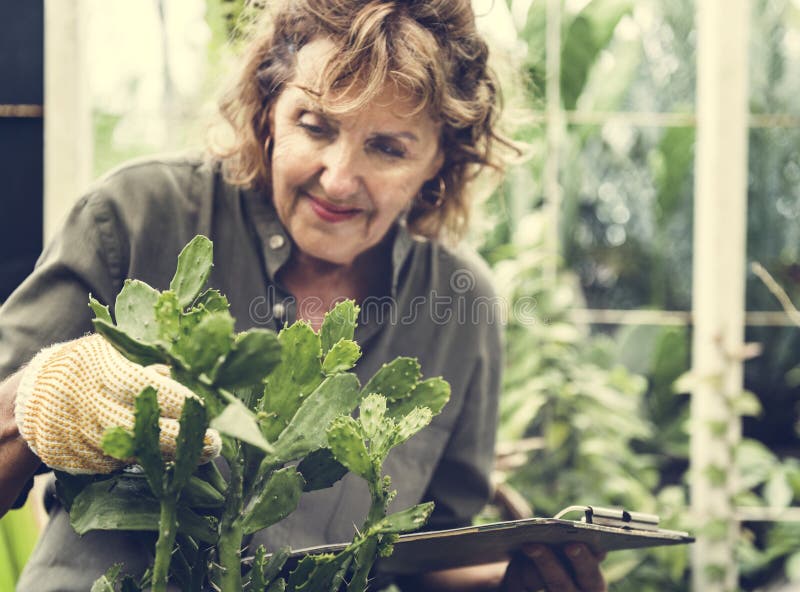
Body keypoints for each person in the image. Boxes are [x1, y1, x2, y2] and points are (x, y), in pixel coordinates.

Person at [0, 1, 606, 590]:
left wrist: (519, 582)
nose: (339, 179)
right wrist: (37, 397)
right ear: (267, 111)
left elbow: (430, 547)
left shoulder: (459, 301)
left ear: (442, 159)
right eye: (314, 126)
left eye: (389, 147)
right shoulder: (134, 217)